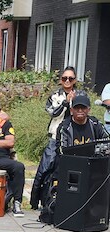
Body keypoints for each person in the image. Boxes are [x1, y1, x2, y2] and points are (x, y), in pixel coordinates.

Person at [39, 94, 109, 222]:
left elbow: (106, 142)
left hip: (93, 168)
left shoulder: (95, 124)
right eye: (77, 108)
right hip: (69, 170)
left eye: (83, 108)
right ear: (71, 110)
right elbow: (62, 152)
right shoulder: (64, 127)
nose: (80, 111)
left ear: (89, 109)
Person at [31, 67, 86, 210]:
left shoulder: (81, 94)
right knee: (45, 168)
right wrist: (66, 103)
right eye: (64, 78)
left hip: (76, 138)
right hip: (56, 137)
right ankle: (36, 200)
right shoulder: (55, 95)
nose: (67, 81)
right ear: (60, 80)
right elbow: (53, 113)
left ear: (75, 80)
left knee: (72, 170)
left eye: (70, 78)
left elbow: (85, 112)